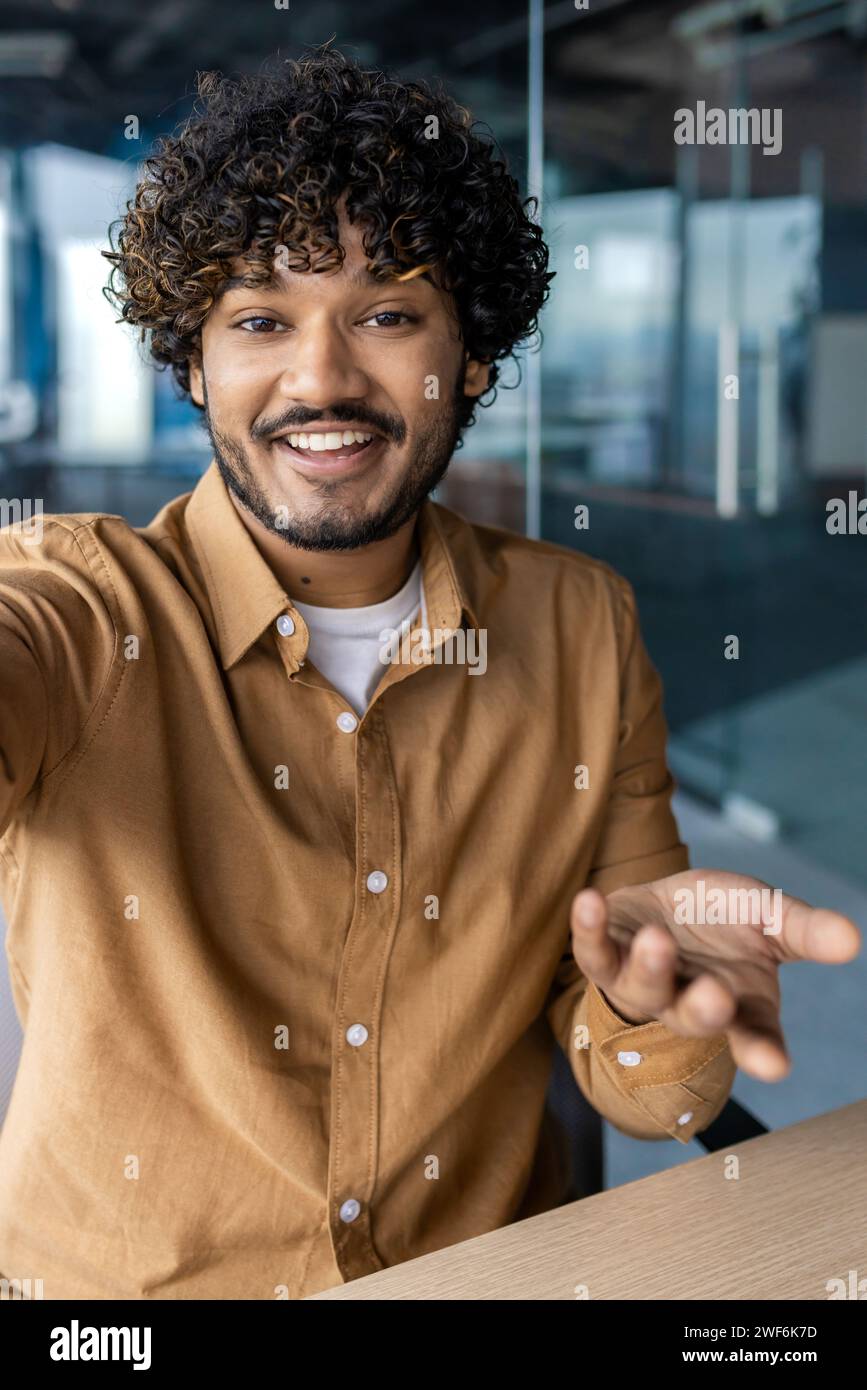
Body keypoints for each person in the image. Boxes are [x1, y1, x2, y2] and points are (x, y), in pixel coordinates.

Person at [0, 47, 858, 1301]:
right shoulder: (84, 604)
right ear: (193, 366)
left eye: (388, 313)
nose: (323, 379)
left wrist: (651, 1008)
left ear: (470, 358)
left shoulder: (581, 626)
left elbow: (641, 1071)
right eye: (259, 320)